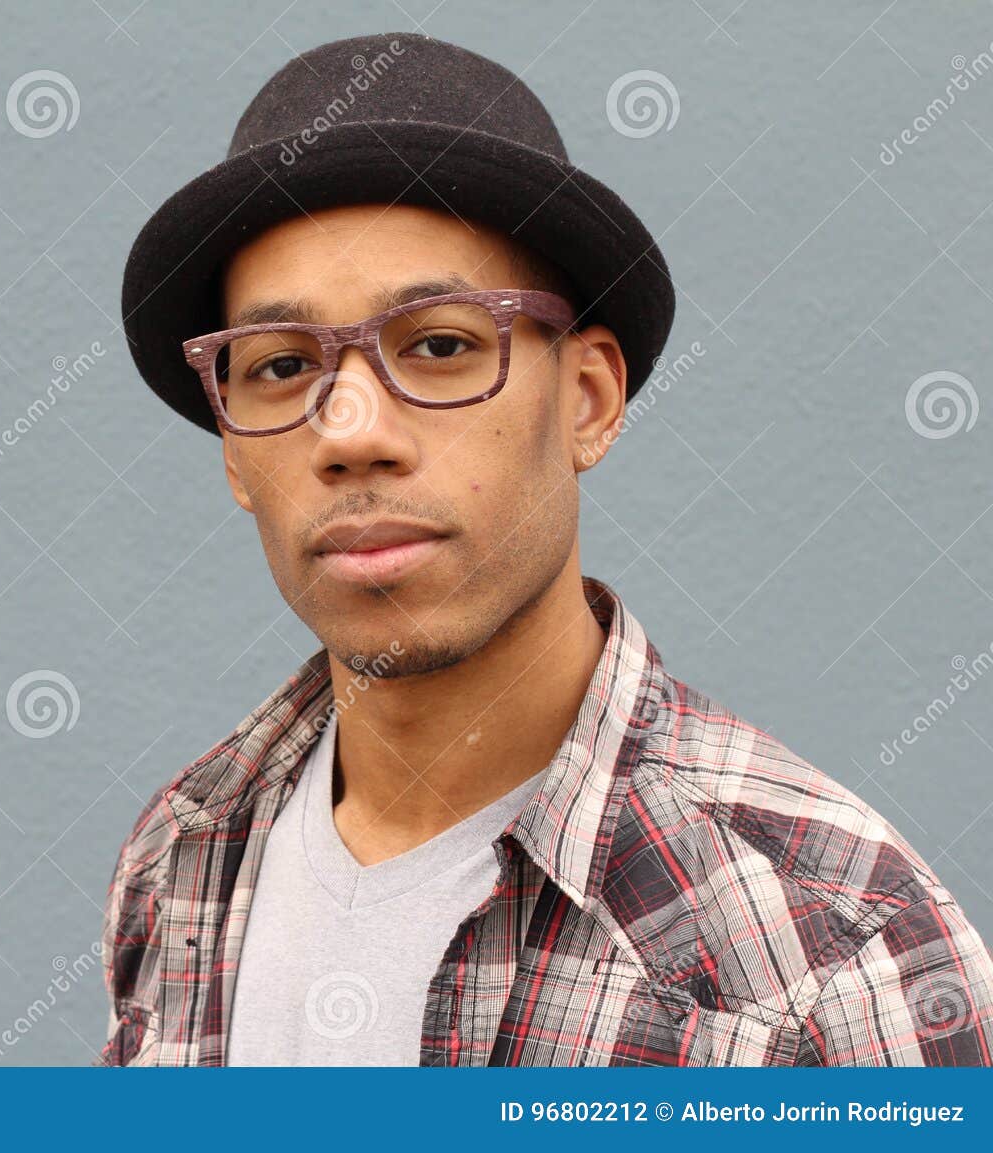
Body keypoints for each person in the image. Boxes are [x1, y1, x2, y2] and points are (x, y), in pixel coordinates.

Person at [97, 31, 993, 1066]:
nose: (349, 431)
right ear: (233, 457)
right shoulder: (184, 850)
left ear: (587, 399)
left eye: (438, 345)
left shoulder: (836, 955)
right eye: (281, 364)